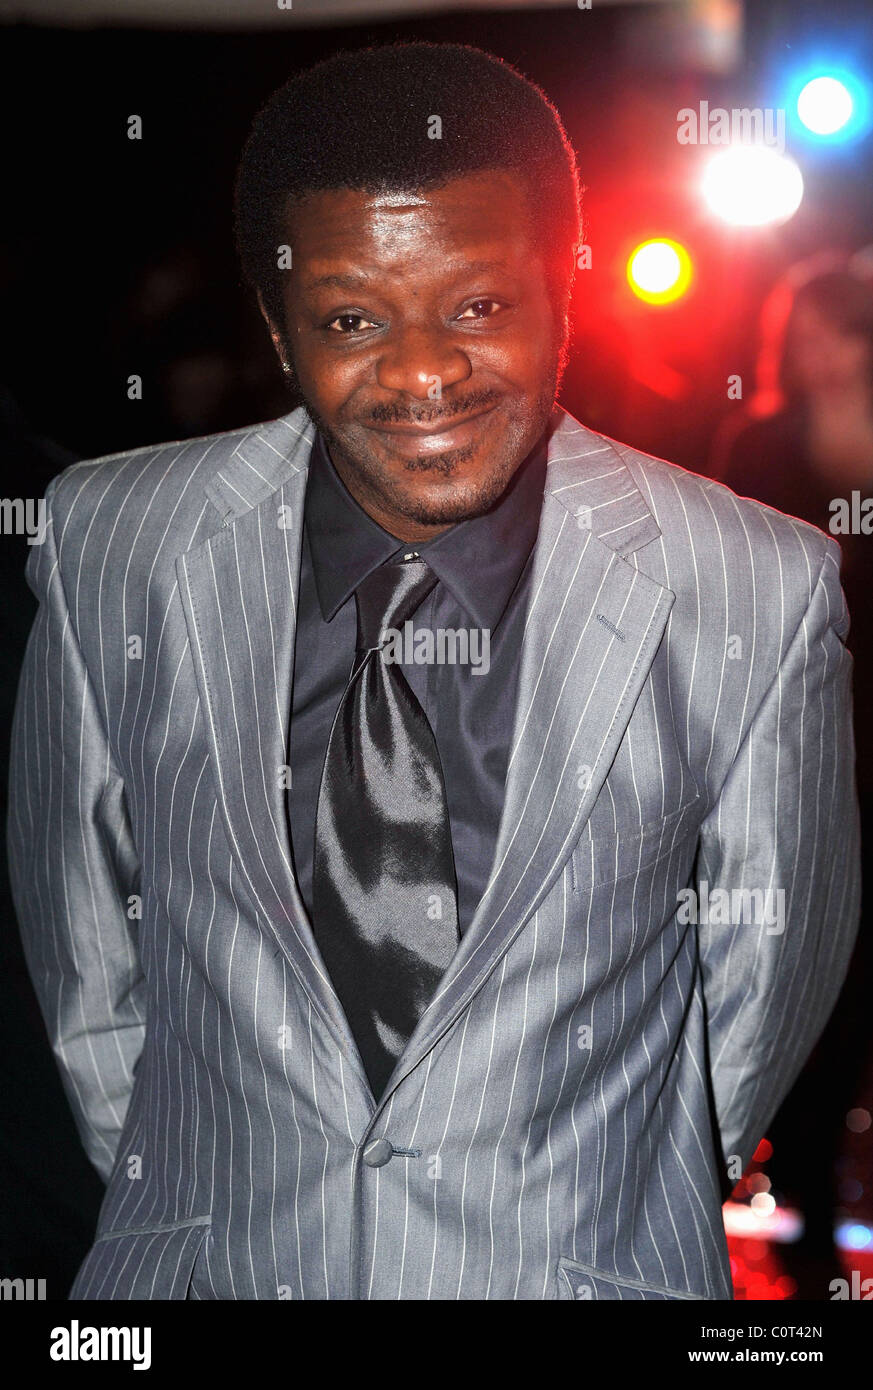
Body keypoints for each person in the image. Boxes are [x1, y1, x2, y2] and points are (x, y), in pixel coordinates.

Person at [7, 42, 861, 1302]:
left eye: (476, 306)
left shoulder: (753, 583)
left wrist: (590, 1193)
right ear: (277, 323)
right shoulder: (111, 540)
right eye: (354, 318)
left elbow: (765, 975)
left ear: (563, 294)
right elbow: (83, 949)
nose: (421, 374)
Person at [712, 256, 873, 1289]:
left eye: (847, 332)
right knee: (808, 992)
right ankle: (798, 1223)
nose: (830, 352)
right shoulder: (760, 447)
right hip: (805, 764)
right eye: (821, 331)